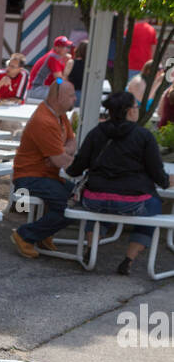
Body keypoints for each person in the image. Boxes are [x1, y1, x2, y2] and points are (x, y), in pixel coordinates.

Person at [67, 89, 169, 276]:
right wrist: (167, 181)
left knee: (101, 208)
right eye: (136, 107)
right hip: (134, 203)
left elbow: (75, 169)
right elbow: (158, 176)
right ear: (130, 111)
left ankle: (91, 248)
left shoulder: (96, 133)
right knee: (154, 206)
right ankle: (128, 259)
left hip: (93, 200)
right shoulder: (144, 136)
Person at [11, 78, 77, 258]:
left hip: (48, 175)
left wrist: (59, 152)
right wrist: (59, 156)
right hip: (30, 177)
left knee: (80, 198)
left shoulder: (60, 115)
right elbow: (61, 161)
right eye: (71, 95)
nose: (75, 99)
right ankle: (25, 235)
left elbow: (72, 142)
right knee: (69, 206)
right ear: (57, 97)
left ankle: (43, 234)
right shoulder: (45, 120)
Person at [62, 42, 87, 106]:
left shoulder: (71, 62)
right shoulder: (90, 65)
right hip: (87, 94)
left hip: (73, 93)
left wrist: (56, 81)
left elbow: (63, 79)